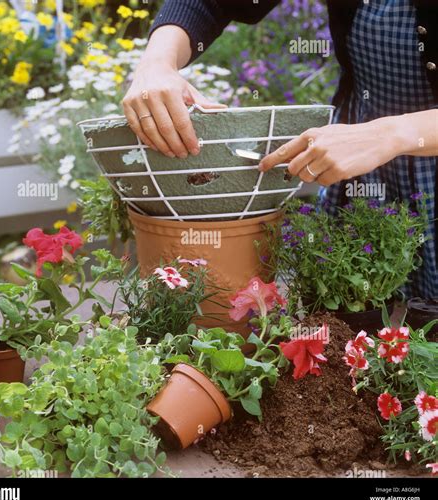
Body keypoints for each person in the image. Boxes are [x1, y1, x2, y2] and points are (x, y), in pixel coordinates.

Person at [122, 0, 438, 299]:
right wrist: (156, 63)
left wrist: (390, 134)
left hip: (410, 151)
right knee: (354, 318)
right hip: (359, 163)